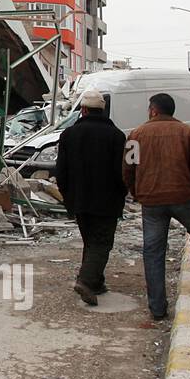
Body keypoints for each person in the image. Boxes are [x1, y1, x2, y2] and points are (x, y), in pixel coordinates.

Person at [123, 93, 190, 321]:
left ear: (153, 110)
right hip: (181, 195)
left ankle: (157, 308)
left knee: (153, 252)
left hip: (151, 200)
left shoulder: (136, 135)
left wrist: (137, 192)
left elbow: (128, 169)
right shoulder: (189, 134)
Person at [55, 89, 128, 305]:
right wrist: (122, 193)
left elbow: (61, 171)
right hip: (107, 200)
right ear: (102, 110)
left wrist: (67, 196)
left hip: (78, 199)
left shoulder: (69, 134)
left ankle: (96, 281)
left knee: (90, 240)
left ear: (83, 110)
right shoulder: (116, 136)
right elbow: (120, 172)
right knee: (102, 242)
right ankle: (86, 280)